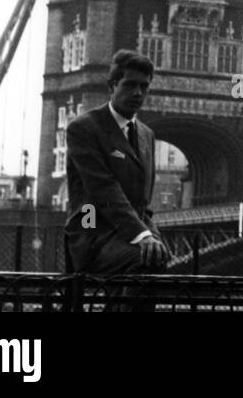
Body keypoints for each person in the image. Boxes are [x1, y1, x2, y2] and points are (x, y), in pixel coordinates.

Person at [64, 50, 168, 275]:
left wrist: (152, 235)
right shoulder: (84, 128)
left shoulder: (146, 134)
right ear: (112, 86)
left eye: (144, 86)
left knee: (157, 258)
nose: (137, 93)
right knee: (141, 259)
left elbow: (143, 203)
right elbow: (103, 189)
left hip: (132, 231)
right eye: (130, 85)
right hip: (92, 228)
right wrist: (142, 236)